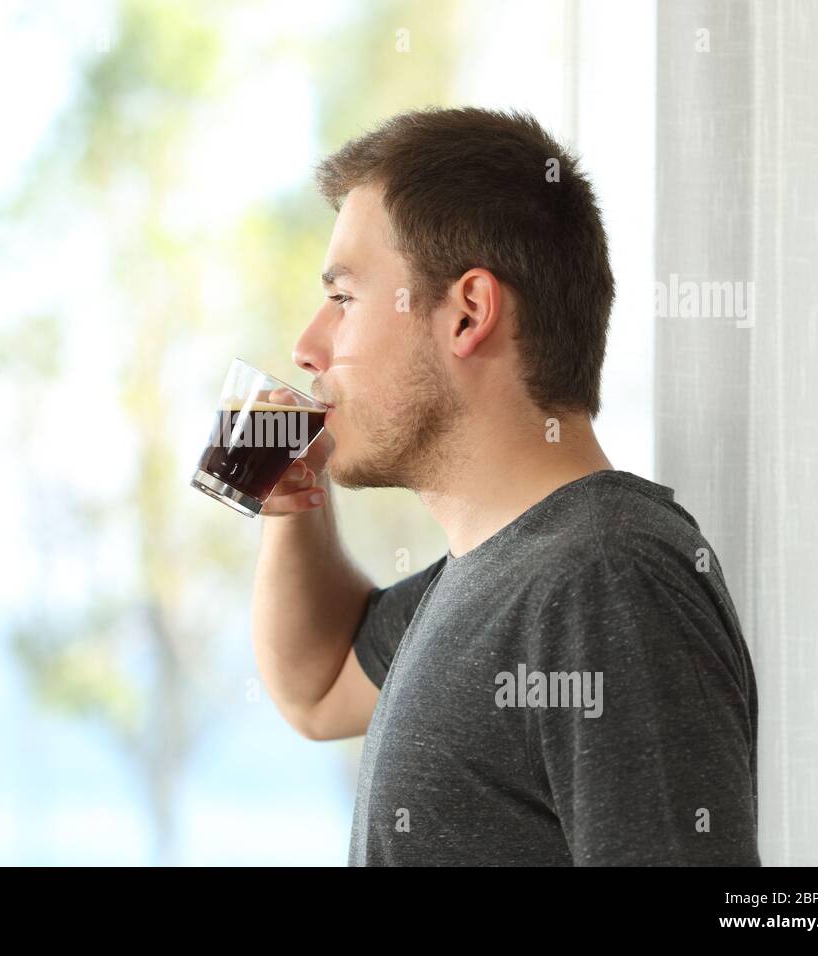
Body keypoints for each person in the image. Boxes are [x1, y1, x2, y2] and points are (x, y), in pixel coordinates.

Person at [251, 106, 760, 866]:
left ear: (468, 314)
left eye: (344, 298)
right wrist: (293, 502)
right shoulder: (489, 574)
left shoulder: (604, 579)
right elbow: (317, 689)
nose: (306, 346)